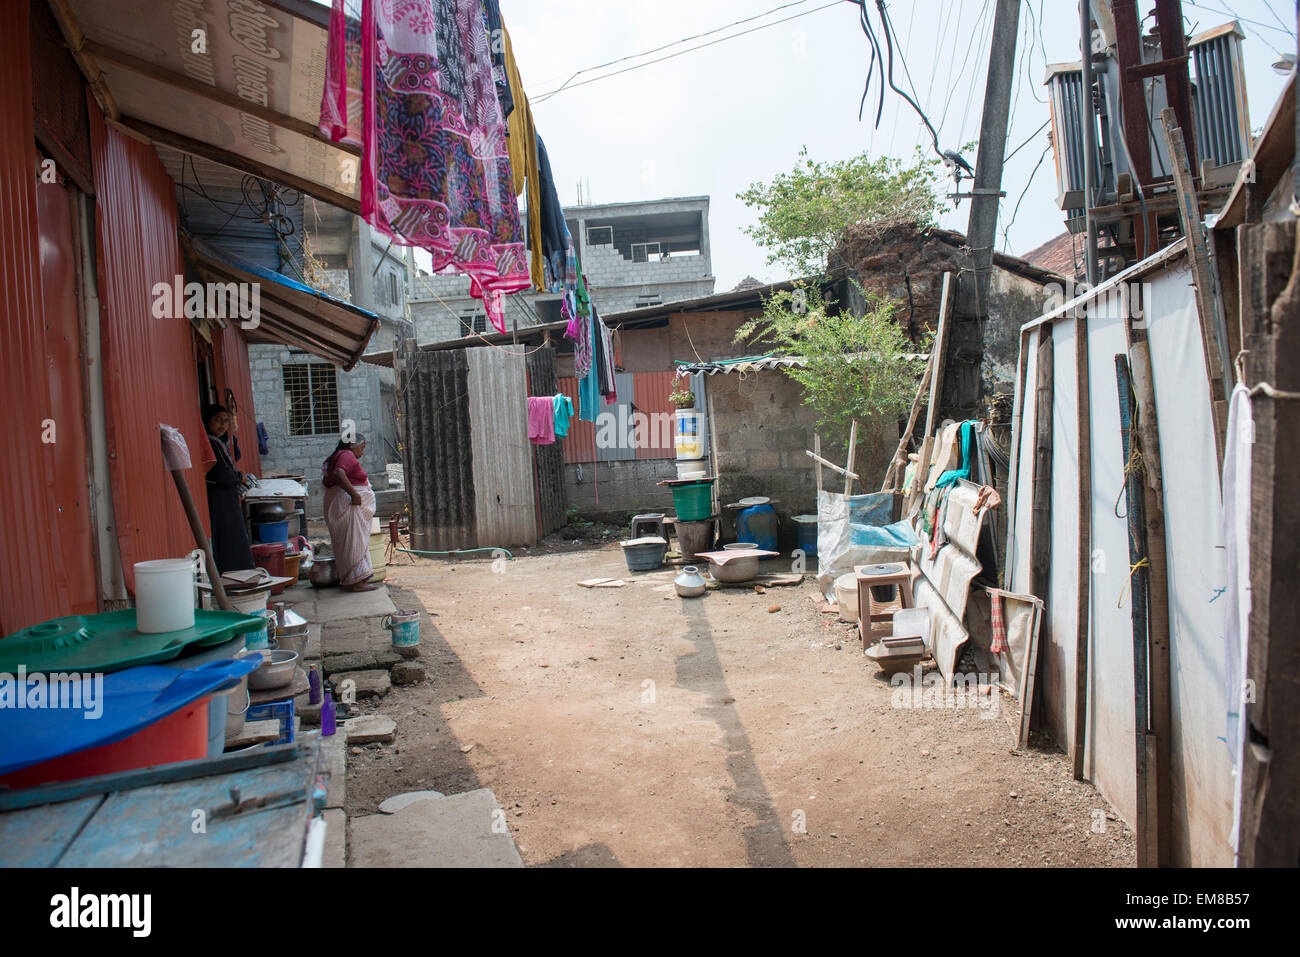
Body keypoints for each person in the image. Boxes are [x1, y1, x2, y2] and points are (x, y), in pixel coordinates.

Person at [322, 433, 378, 592]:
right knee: (354, 541)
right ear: (352, 445)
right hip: (349, 506)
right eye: (362, 447)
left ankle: (352, 579)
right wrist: (354, 494)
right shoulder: (346, 455)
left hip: (341, 503)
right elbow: (339, 473)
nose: (363, 451)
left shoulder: (336, 456)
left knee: (349, 542)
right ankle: (357, 582)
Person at [203, 403, 255, 573]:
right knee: (228, 537)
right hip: (219, 499)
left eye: (225, 420)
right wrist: (238, 477)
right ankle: (233, 573)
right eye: (217, 420)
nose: (222, 424)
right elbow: (221, 475)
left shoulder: (220, 443)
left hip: (226, 497)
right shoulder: (210, 444)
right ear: (207, 421)